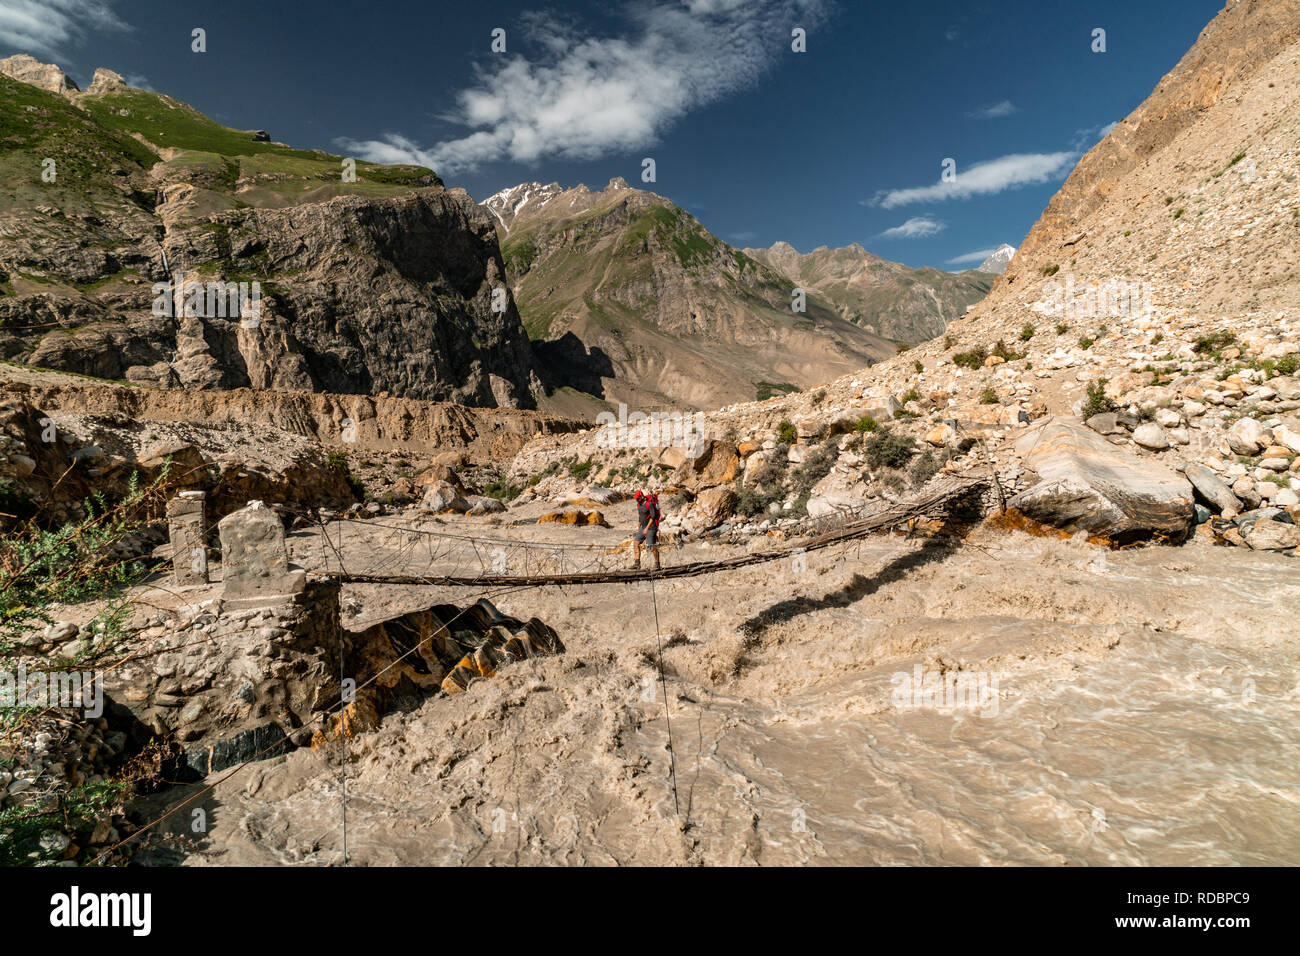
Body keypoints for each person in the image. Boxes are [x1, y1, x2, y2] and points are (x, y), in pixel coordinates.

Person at [632, 489, 661, 570]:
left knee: (652, 546)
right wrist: (639, 525)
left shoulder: (649, 504)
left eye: (638, 498)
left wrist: (647, 528)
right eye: (636, 499)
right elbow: (640, 516)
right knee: (636, 543)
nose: (637, 500)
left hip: (651, 528)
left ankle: (657, 564)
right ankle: (637, 563)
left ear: (641, 496)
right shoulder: (638, 505)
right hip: (643, 527)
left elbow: (653, 516)